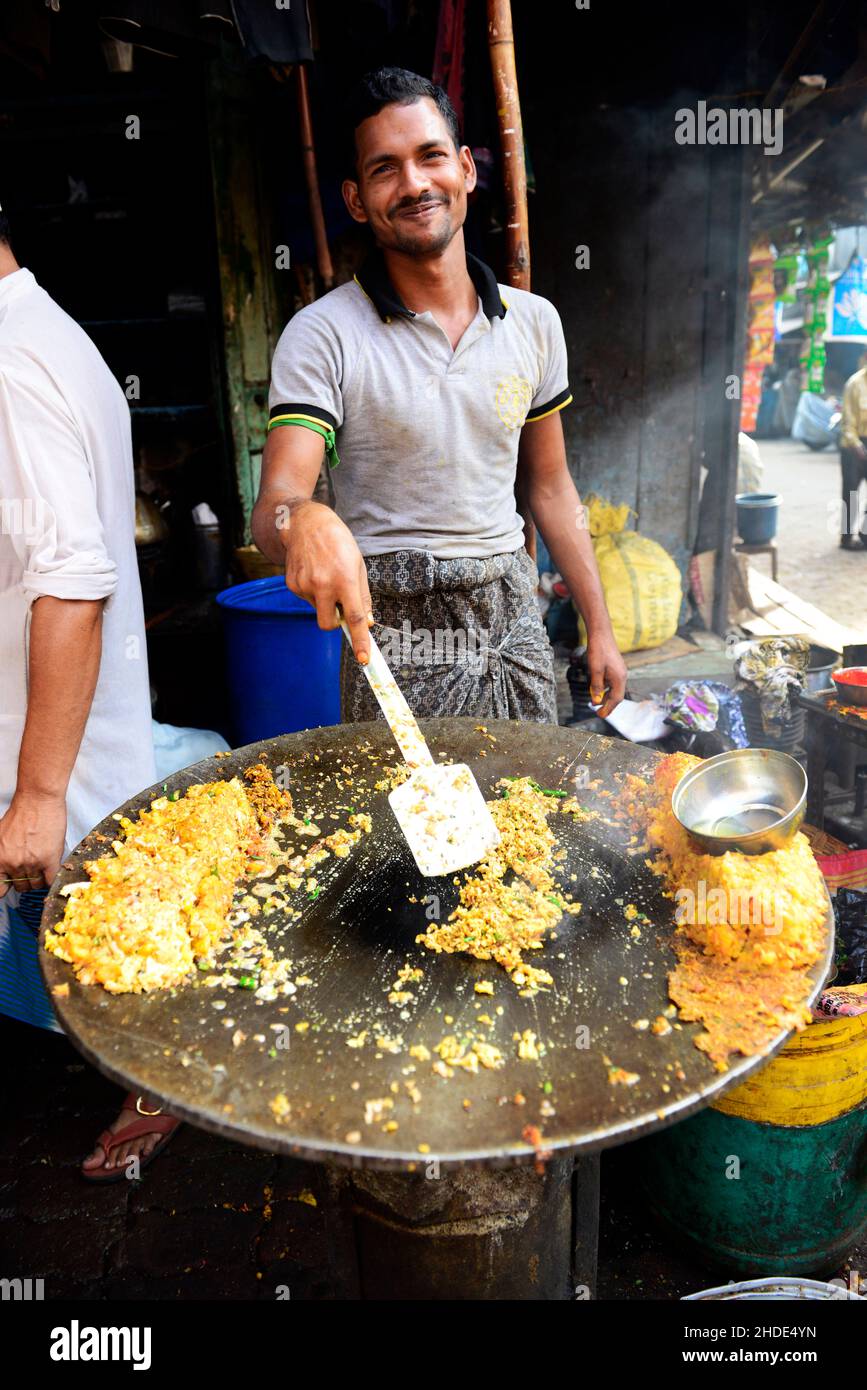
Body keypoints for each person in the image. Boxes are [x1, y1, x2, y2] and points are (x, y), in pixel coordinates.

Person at [252, 67, 626, 725]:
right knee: (410, 823)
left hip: (513, 619)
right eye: (384, 170)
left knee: (528, 811)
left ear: (465, 170)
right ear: (356, 200)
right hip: (394, 632)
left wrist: (600, 625)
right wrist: (301, 518)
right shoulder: (322, 335)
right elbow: (275, 508)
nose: (415, 184)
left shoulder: (535, 321)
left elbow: (549, 488)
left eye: (429, 157)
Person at [0, 211, 180, 1179]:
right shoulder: (43, 336)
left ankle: (162, 1084)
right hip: (49, 734)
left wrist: (34, 790)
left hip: (47, 754)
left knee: (97, 947)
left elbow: (71, 582)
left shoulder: (13, 363)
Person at [839, 351, 867, 548]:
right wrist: (857, 445)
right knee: (851, 494)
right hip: (853, 445)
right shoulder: (854, 384)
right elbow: (847, 422)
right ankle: (846, 539)